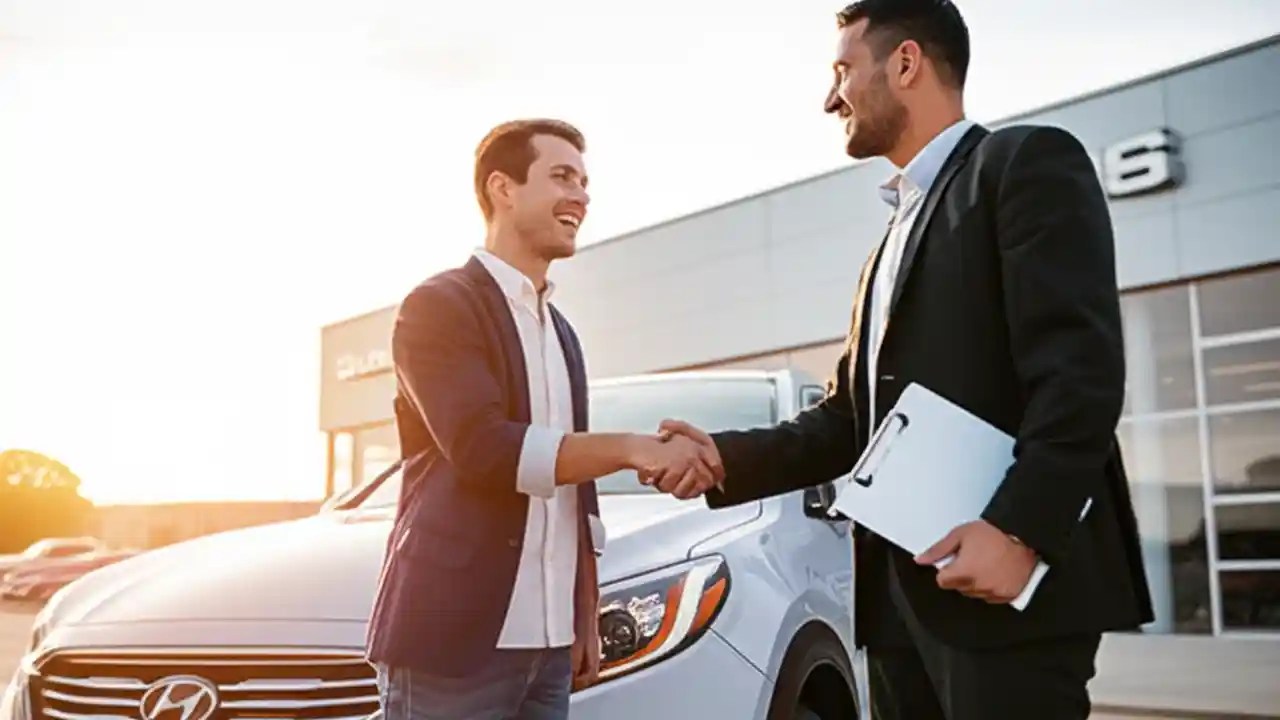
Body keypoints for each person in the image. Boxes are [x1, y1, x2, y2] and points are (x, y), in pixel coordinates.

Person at [650, 2, 1154, 718]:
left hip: (1002, 591)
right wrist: (722, 457)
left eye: (843, 71)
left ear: (907, 63)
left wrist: (1020, 530)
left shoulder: (1024, 165)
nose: (832, 98)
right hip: (897, 605)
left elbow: (1080, 374)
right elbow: (848, 421)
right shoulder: (886, 246)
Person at [365, 118, 717, 720]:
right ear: (502, 188)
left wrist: (582, 611)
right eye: (561, 177)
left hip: (549, 649)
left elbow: (574, 493)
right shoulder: (439, 306)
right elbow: (485, 450)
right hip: (456, 645)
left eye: (583, 181)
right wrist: (632, 448)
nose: (580, 195)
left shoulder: (564, 334)